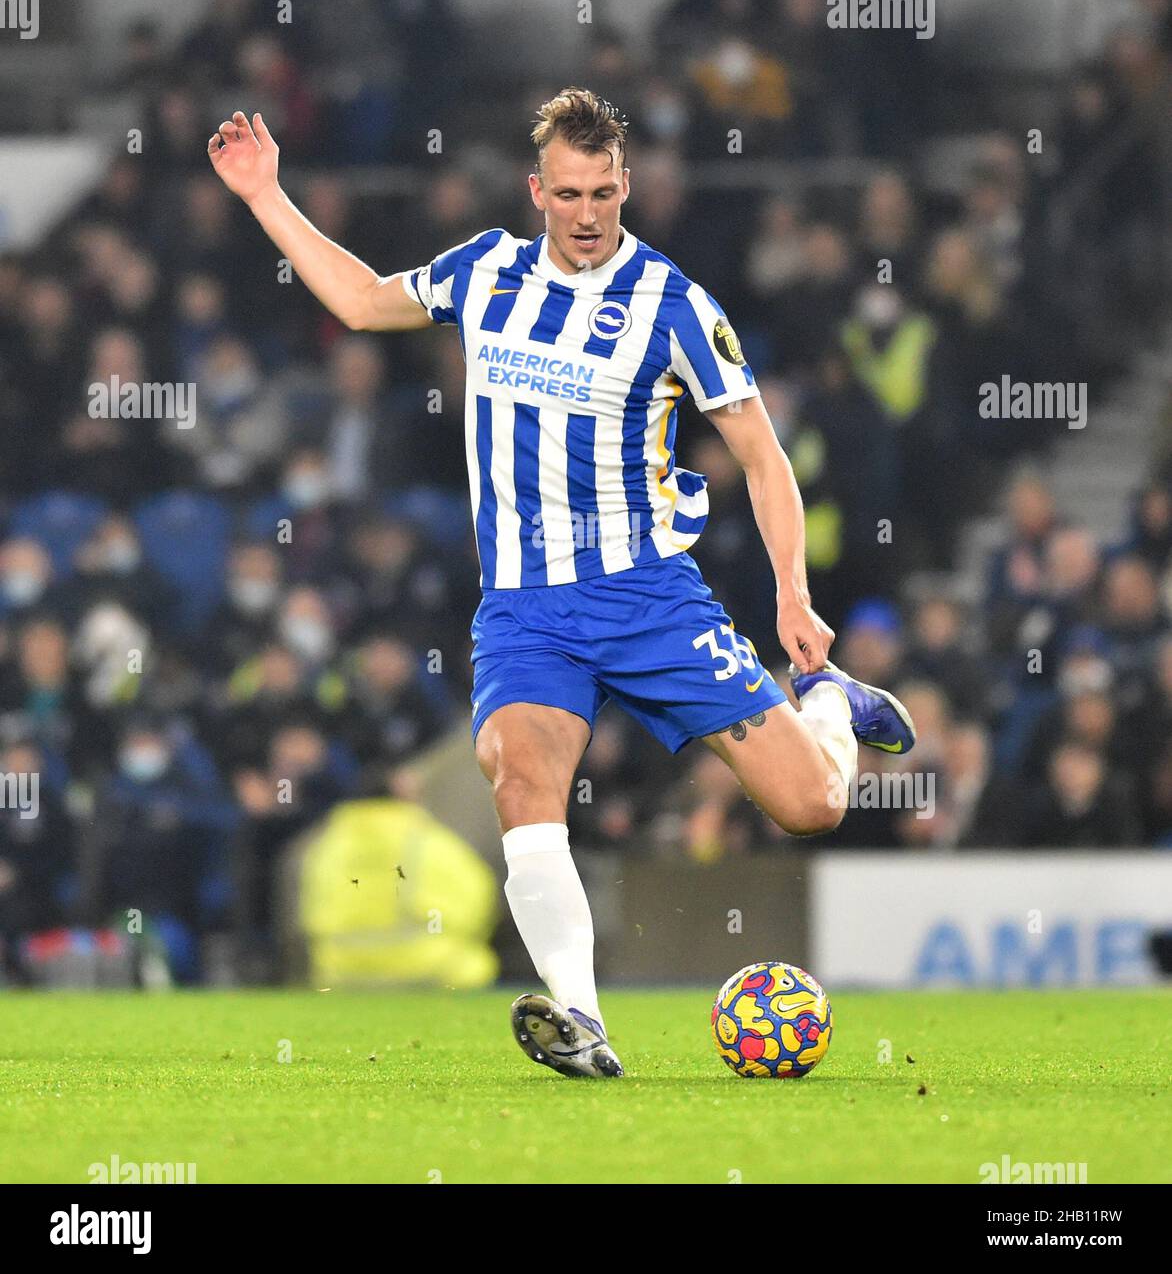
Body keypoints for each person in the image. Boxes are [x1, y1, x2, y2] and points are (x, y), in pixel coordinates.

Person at [207, 87, 916, 1079]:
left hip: (648, 598)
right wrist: (264, 195)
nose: (587, 213)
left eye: (605, 193)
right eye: (569, 192)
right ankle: (580, 1020)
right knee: (519, 778)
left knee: (810, 807)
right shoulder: (486, 270)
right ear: (536, 189)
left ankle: (830, 709)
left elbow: (760, 456)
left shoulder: (674, 306)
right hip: (524, 611)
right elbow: (366, 300)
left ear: (625, 188)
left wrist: (790, 595)